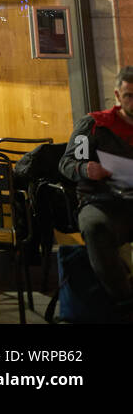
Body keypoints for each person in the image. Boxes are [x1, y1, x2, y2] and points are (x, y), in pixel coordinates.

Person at [59, 67, 133, 313]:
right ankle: (124, 301)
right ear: (117, 95)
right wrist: (84, 169)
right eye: (129, 96)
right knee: (95, 227)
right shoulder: (94, 125)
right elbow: (67, 163)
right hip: (101, 201)